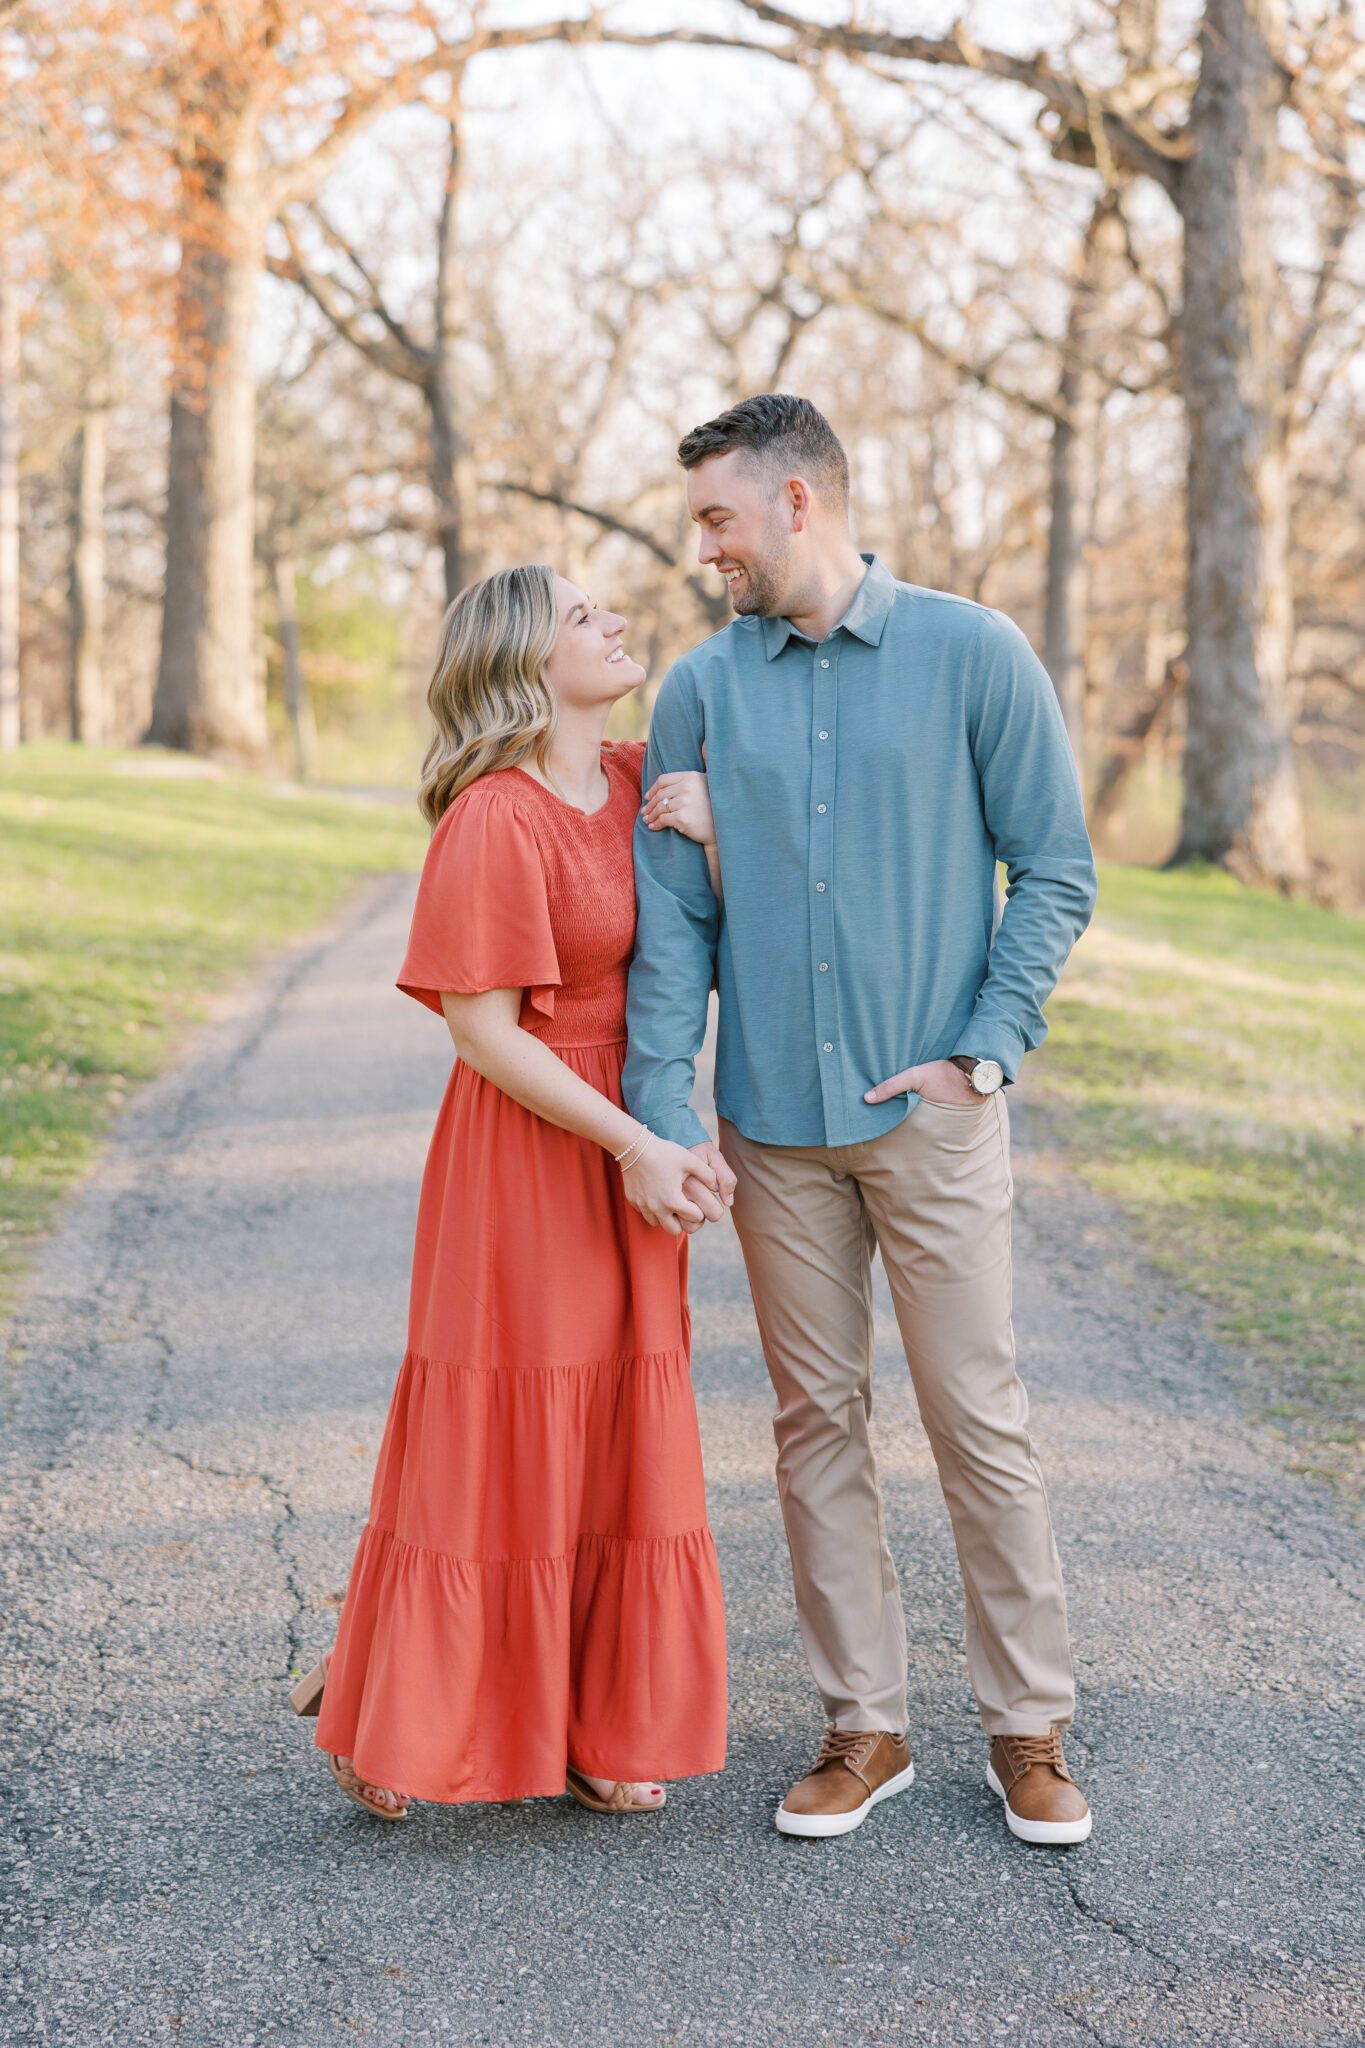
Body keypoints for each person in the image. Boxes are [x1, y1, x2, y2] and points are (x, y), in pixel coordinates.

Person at [625, 393, 1097, 1847]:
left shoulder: (970, 652)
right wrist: (660, 1117)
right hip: (773, 1131)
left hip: (932, 1118)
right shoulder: (702, 691)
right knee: (812, 1425)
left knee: (977, 1417)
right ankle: (863, 1727)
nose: (702, 548)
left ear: (797, 504)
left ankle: (1028, 1730)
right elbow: (672, 931)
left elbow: (1057, 870)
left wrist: (982, 1054)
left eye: (717, 518)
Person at [291, 564, 729, 1820]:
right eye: (585, 616)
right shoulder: (493, 815)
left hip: (628, 1129)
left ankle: (597, 1719)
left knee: (613, 1429)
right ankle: (405, 1718)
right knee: (500, 1432)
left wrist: (718, 819)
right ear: (530, 660)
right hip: (534, 1141)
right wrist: (633, 1145)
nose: (616, 621)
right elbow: (483, 1031)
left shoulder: (641, 778)